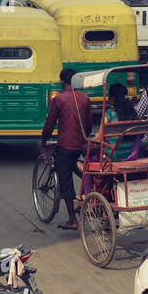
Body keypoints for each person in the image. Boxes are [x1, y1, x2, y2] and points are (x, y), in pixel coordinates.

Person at [39, 68, 93, 231]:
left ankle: (72, 220)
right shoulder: (84, 97)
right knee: (81, 169)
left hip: (66, 145)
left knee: (65, 180)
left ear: (62, 82)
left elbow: (50, 123)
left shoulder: (59, 99)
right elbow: (89, 124)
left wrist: (43, 140)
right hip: (82, 144)